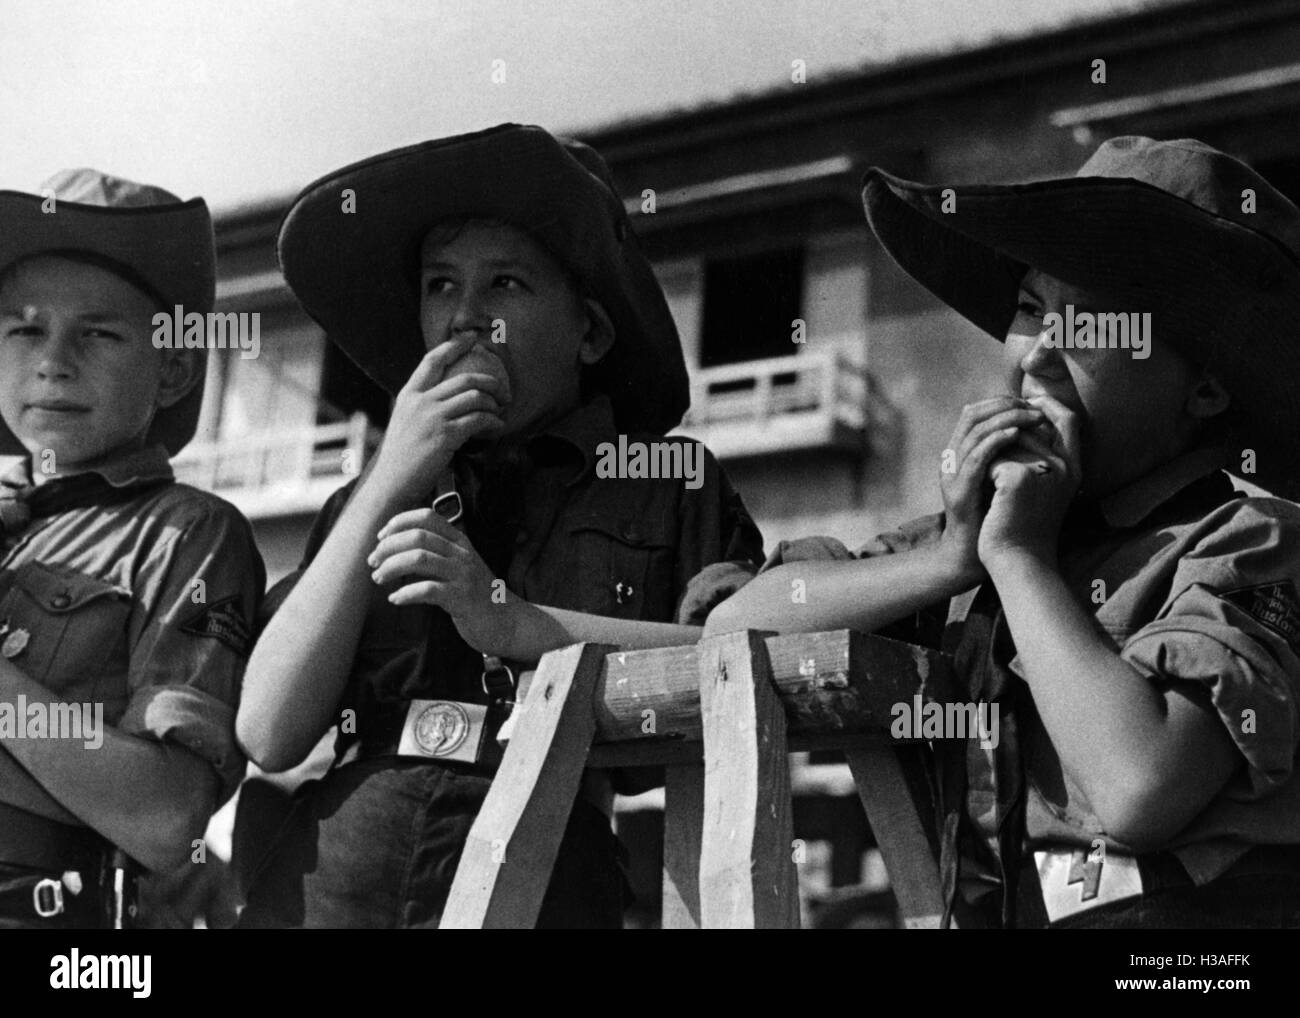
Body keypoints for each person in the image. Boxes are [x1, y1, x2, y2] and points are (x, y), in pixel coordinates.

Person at [704, 136, 1300, 929]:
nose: (1038, 355)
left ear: (1208, 387)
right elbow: (735, 625)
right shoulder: (978, 540)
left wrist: (1019, 561)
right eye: (1030, 309)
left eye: (1093, 323)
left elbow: (1138, 790)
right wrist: (953, 557)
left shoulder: (1250, 543)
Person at [234, 124, 764, 928]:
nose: (464, 320)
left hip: (548, 857)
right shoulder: (374, 494)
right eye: (440, 286)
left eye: (506, 285)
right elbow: (269, 731)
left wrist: (518, 625)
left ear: (588, 330)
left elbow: (736, 669)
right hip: (334, 875)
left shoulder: (668, 480)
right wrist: (390, 476)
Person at [0, 169, 264, 928]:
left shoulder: (186, 535)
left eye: (99, 332)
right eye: (24, 328)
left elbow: (166, 817)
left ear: (174, 366)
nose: (53, 360)